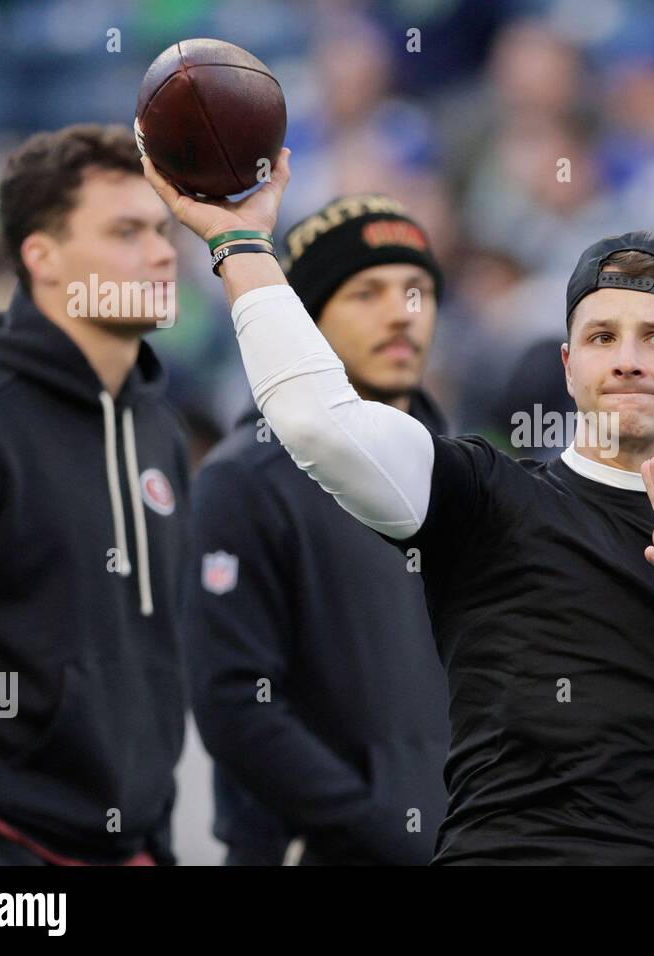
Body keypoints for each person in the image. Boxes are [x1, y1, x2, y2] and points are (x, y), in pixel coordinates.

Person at [145, 148, 654, 865]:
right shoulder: (488, 498)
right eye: (602, 337)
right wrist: (239, 241)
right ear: (569, 365)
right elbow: (316, 423)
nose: (627, 358)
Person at [0, 124, 190, 865]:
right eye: (126, 231)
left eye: (162, 229)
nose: (164, 252)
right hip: (0, 857)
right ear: (42, 256)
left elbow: (157, 666)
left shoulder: (161, 434)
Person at [188, 195, 450, 865]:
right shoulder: (244, 481)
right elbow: (236, 706)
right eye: (366, 292)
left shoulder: (464, 480)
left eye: (417, 291)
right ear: (300, 317)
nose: (401, 314)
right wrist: (388, 831)